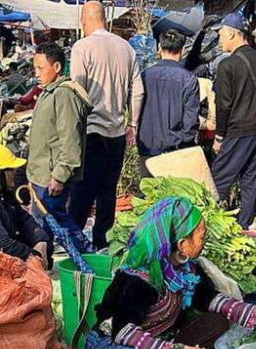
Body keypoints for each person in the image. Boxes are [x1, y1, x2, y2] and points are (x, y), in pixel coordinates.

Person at [80, 197, 256, 349]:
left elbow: (208, 298)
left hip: (163, 339)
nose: (204, 241)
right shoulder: (139, 278)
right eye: (201, 236)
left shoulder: (187, 268)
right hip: (120, 342)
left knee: (216, 322)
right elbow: (123, 330)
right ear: (182, 243)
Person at [68, 0, 144, 250]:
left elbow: (77, 90)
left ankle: (75, 244)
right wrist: (132, 124)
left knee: (82, 192)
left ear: (85, 19)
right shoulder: (126, 48)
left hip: (92, 131)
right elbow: (138, 91)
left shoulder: (83, 47)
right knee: (107, 194)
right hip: (116, 133)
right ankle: (102, 243)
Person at [26, 42, 94, 255]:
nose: (36, 73)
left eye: (40, 68)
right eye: (34, 68)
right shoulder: (48, 91)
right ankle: (43, 267)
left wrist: (60, 176)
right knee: (43, 229)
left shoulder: (64, 94)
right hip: (40, 174)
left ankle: (88, 258)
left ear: (56, 67)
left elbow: (70, 139)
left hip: (51, 176)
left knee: (60, 225)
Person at [211, 13, 256, 227]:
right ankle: (243, 225)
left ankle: (205, 224)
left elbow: (223, 105)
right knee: (250, 180)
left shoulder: (227, 65)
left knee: (218, 180)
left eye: (220, 35)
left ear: (231, 33)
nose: (219, 40)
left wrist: (219, 136)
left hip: (240, 131)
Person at [136, 29, 200, 177]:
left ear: (159, 48)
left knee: (147, 191)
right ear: (182, 50)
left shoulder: (145, 75)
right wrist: (185, 141)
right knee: (171, 195)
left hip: (147, 144)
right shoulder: (188, 79)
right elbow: (190, 119)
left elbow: (135, 106)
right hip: (174, 146)